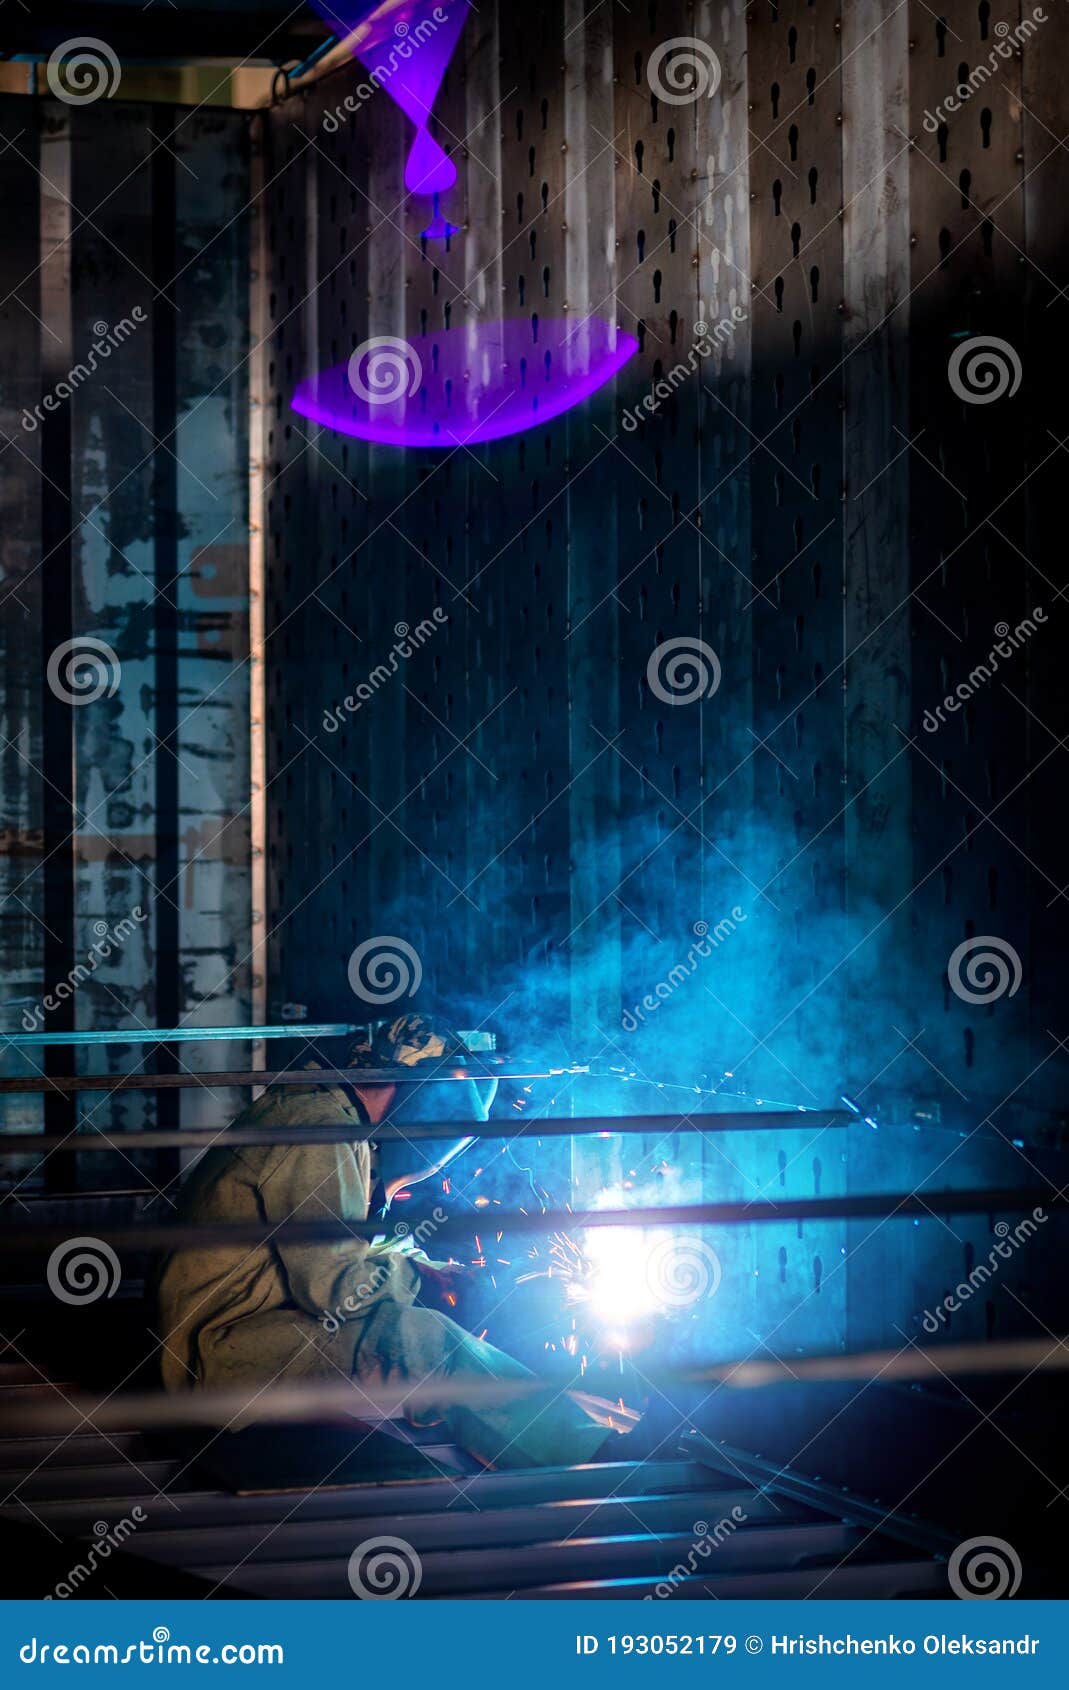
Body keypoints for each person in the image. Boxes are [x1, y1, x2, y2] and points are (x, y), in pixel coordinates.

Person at [156, 1014, 621, 1469]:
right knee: (419, 1339)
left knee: (409, 1320)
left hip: (242, 1328)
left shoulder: (328, 1117)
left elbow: (338, 1251)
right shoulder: (320, 1133)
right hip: (217, 1355)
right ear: (413, 1091)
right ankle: (591, 1454)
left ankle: (543, 1433)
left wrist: (422, 1264)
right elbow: (335, 1286)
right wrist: (417, 1275)